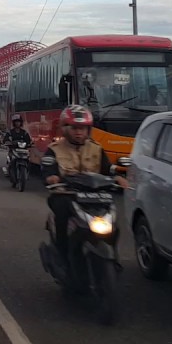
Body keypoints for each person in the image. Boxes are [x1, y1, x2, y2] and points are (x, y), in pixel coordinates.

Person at [40, 105, 123, 262]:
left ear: (88, 130)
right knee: (61, 214)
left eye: (83, 128)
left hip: (95, 196)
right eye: (74, 128)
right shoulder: (54, 149)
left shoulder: (96, 148)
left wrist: (118, 178)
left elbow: (108, 169)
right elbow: (47, 169)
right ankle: (62, 256)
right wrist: (52, 177)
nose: (79, 132)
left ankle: (114, 258)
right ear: (65, 129)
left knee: (113, 224)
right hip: (65, 194)